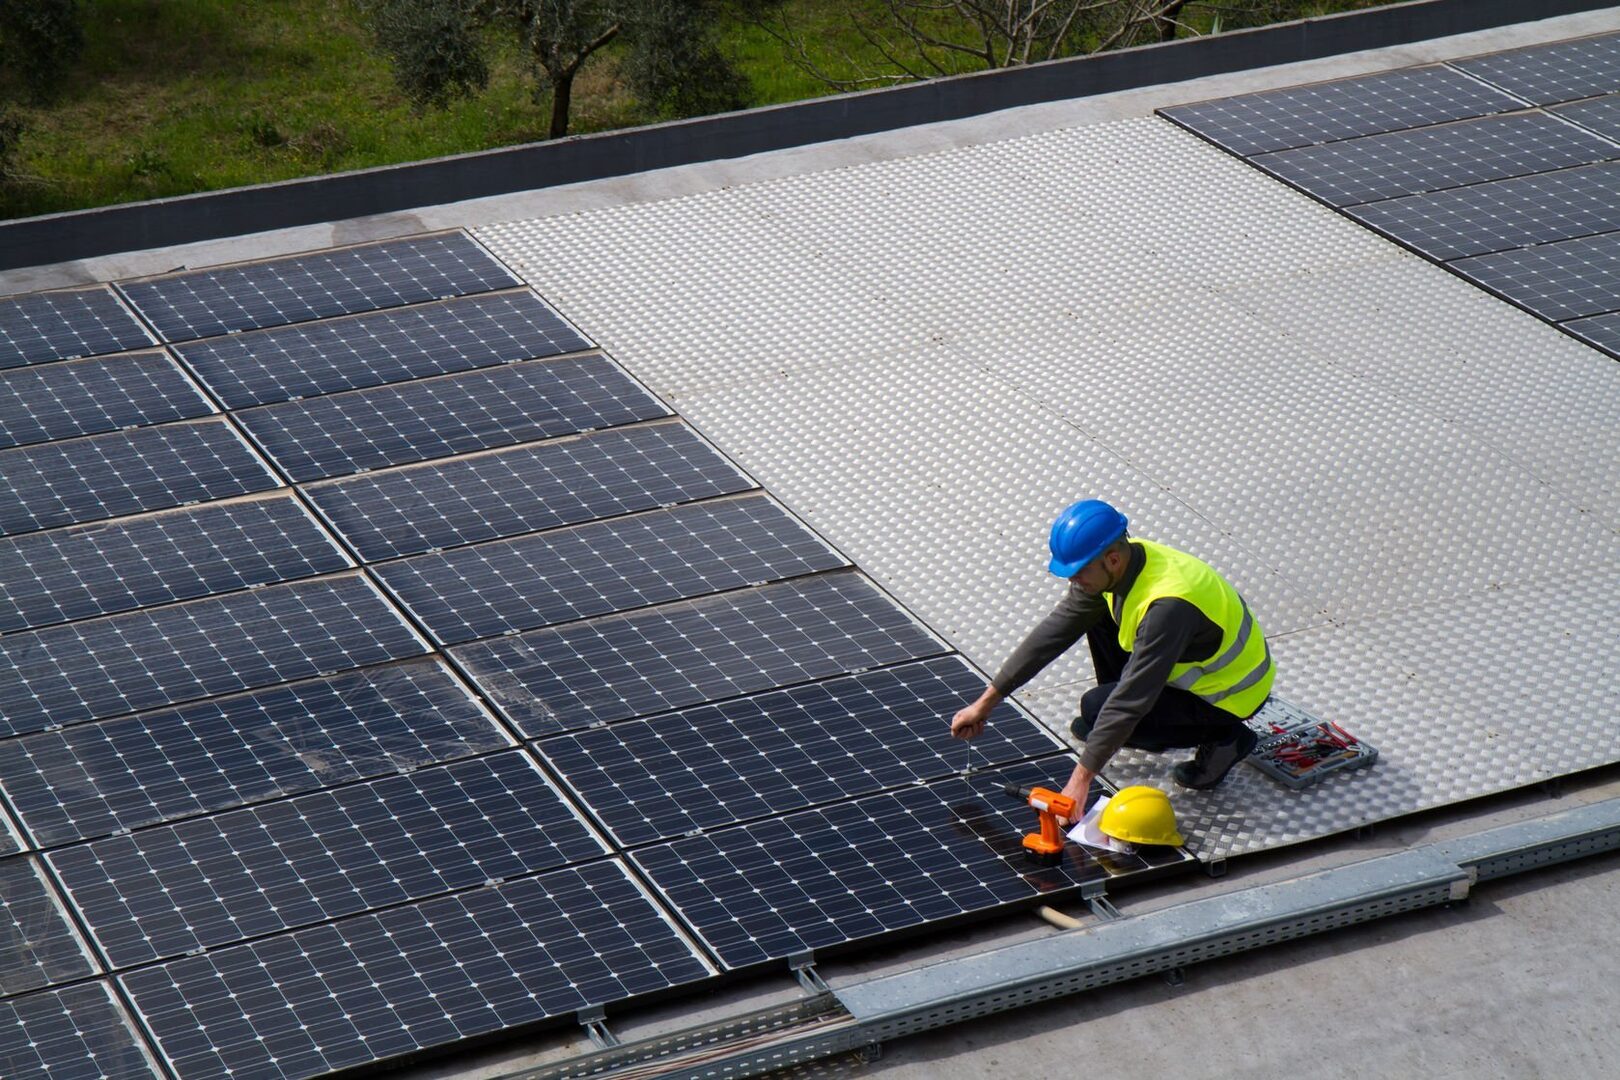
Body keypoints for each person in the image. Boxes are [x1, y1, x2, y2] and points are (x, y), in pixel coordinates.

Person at [951, 499, 1274, 815]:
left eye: (1078, 571)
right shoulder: (1126, 561)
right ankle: (1115, 727)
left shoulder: (1169, 605)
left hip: (1227, 697)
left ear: (1113, 559)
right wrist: (986, 702)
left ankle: (1227, 739)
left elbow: (1133, 697)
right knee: (1095, 614)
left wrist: (1080, 781)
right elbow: (1054, 632)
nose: (1071, 579)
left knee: (1098, 708)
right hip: (1187, 665)